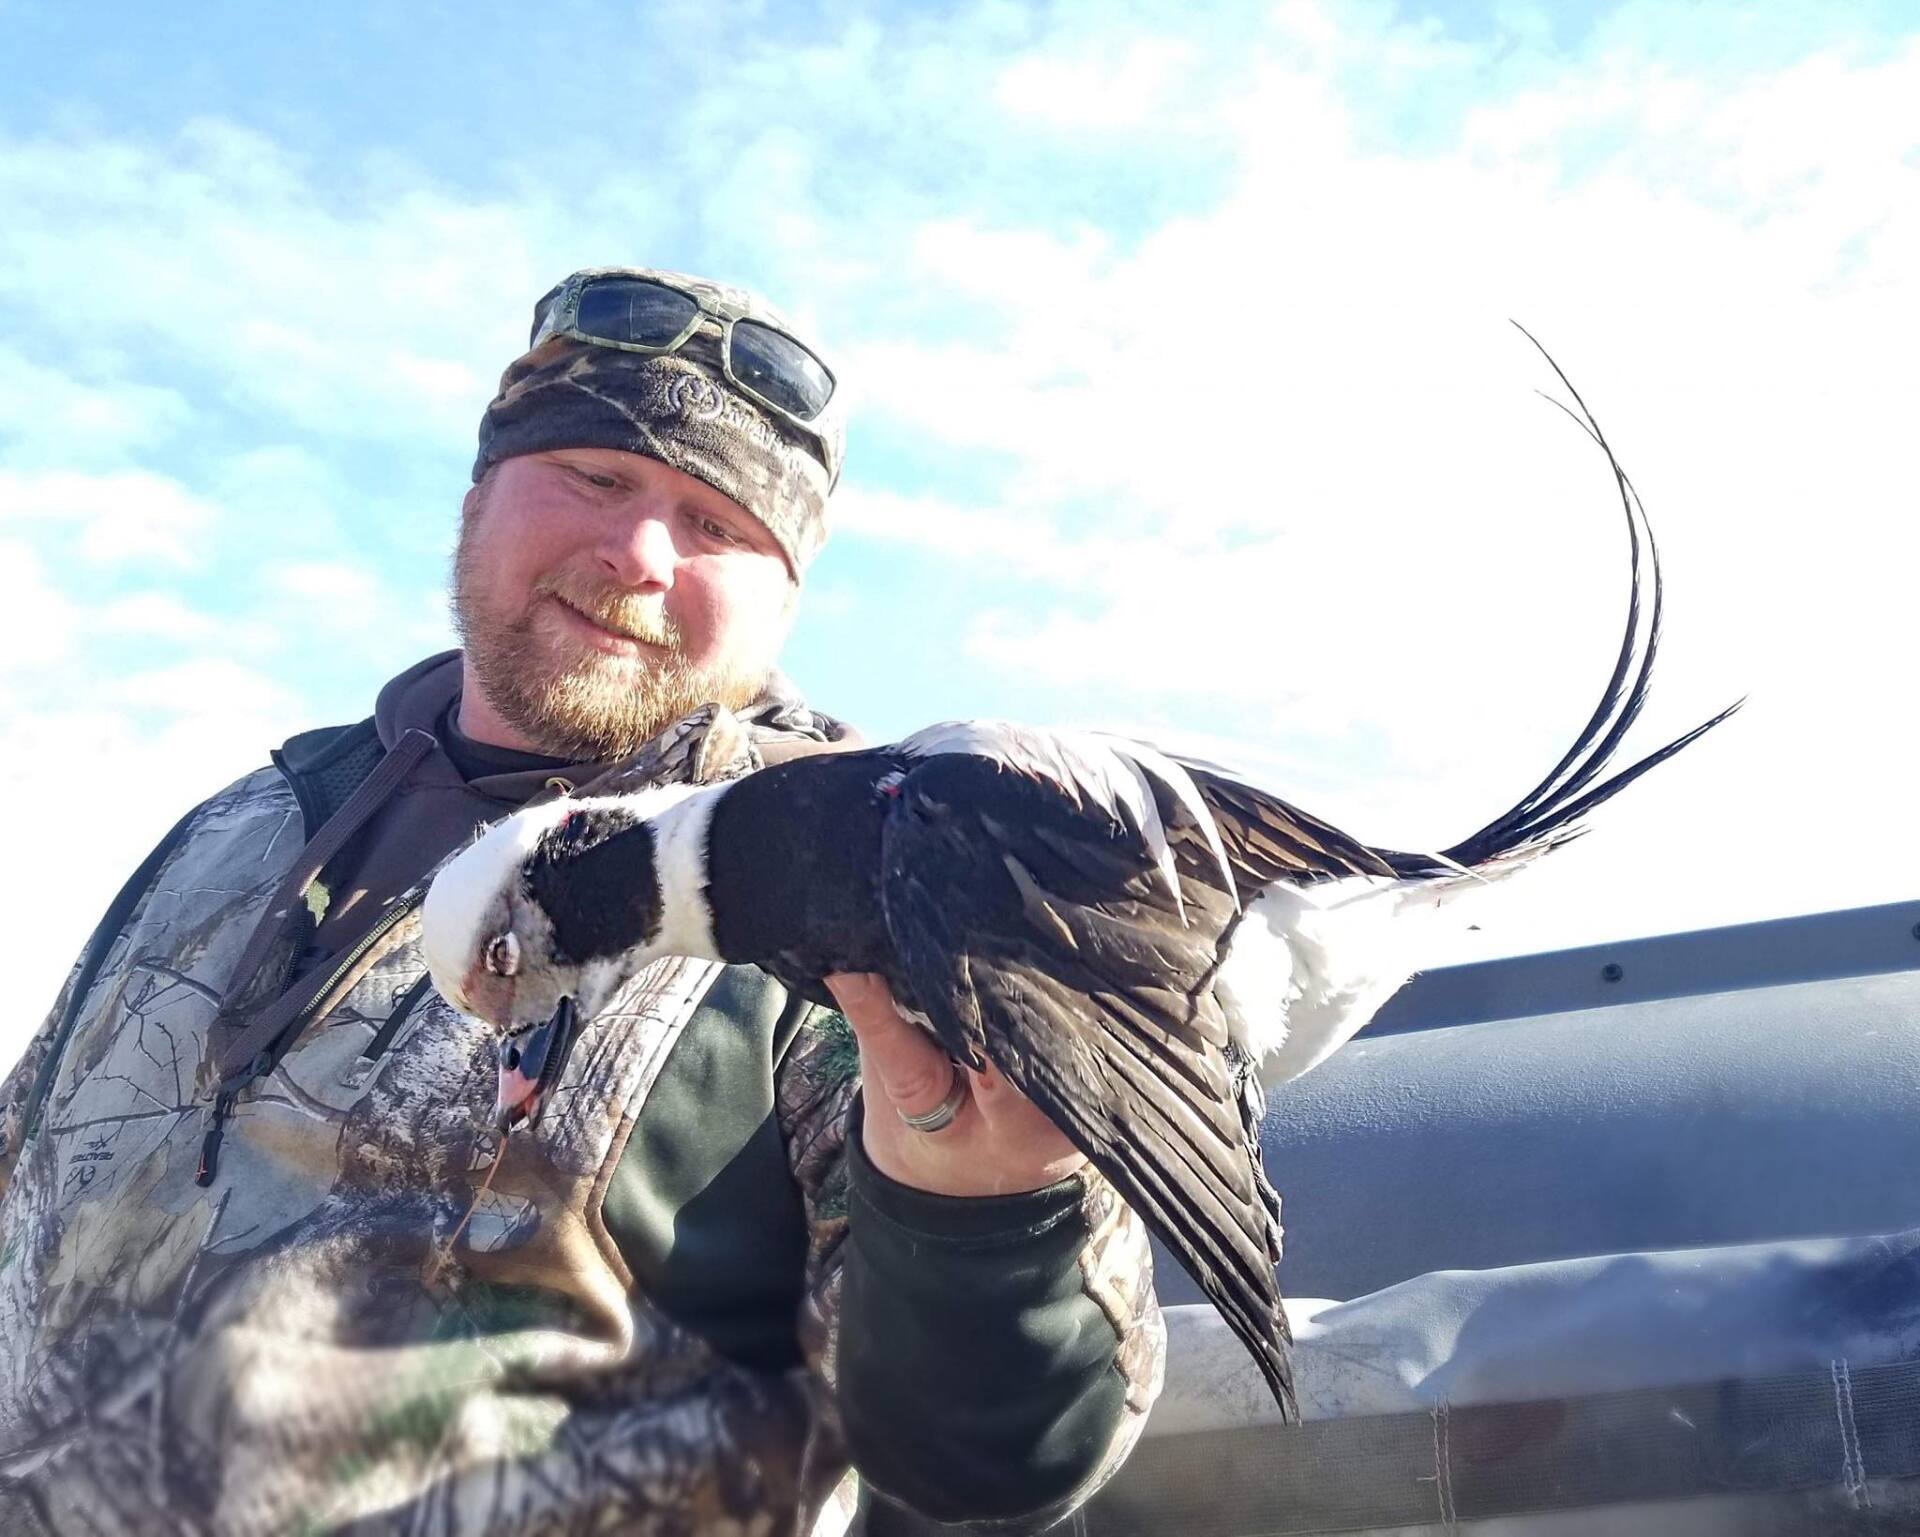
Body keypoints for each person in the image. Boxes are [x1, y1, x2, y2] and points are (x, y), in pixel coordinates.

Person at [0, 267, 1163, 1536]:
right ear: (476, 502)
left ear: (786, 597)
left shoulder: (855, 884)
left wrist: (987, 1222)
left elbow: (995, 1461)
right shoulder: (242, 824)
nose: (641, 552)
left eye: (718, 523)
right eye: (598, 478)